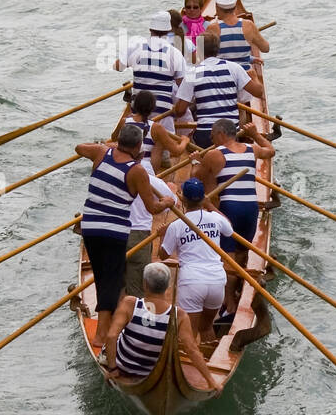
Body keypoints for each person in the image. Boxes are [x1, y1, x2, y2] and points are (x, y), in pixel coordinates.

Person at [76, 123, 175, 343]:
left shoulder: (101, 152)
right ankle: (102, 335)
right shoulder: (137, 170)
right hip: (114, 231)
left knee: (102, 278)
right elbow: (152, 207)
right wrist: (167, 201)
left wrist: (108, 145)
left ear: (119, 141)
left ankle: (105, 326)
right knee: (111, 281)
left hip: (90, 227)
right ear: (139, 146)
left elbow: (79, 147)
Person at [194, 118, 275, 322]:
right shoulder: (251, 148)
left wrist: (196, 160)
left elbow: (197, 179)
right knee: (241, 253)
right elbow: (270, 150)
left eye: (213, 134)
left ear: (221, 134)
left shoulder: (215, 154)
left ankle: (228, 303)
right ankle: (236, 297)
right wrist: (256, 134)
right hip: (250, 207)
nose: (211, 138)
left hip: (230, 208)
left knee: (227, 256)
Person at [102, 262, 218, 390]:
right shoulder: (179, 315)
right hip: (151, 373)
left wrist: (112, 369)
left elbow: (112, 336)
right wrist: (211, 381)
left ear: (145, 284)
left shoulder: (129, 303)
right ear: (168, 286)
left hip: (122, 366)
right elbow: (191, 350)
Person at [160, 177, 233, 337]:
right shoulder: (215, 217)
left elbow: (163, 255)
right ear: (203, 197)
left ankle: (190, 361)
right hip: (217, 281)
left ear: (183, 199)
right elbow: (229, 230)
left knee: (189, 333)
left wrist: (162, 235)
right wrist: (210, 205)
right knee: (206, 328)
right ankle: (206, 360)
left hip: (191, 282)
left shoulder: (176, 225)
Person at [173, 32, 263, 149]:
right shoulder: (234, 68)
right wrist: (255, 77)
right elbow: (258, 92)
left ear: (199, 50)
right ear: (217, 50)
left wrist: (174, 109)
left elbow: (180, 111)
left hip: (206, 134)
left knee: (187, 142)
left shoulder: (192, 73)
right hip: (232, 132)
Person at [114, 12, 186, 153]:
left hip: (138, 110)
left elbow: (118, 67)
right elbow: (182, 85)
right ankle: (163, 154)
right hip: (163, 113)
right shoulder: (175, 53)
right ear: (168, 30)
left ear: (150, 29)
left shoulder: (135, 47)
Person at [125, 143, 176, 296]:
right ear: (141, 157)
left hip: (112, 232)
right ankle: (133, 316)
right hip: (138, 236)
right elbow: (170, 204)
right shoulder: (151, 181)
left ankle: (115, 316)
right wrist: (167, 199)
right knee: (138, 288)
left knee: (115, 281)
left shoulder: (109, 176)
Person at [124, 88, 190, 171]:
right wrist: (185, 141)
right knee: (159, 143)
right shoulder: (156, 128)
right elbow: (176, 151)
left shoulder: (124, 122)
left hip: (124, 167)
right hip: (144, 170)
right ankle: (155, 175)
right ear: (152, 108)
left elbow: (114, 137)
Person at [205, 0, 270, 70]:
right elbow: (266, 48)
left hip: (223, 75)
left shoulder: (212, 28)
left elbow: (202, 57)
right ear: (235, 7)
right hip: (244, 75)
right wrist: (250, 57)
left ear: (217, 7)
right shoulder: (249, 25)